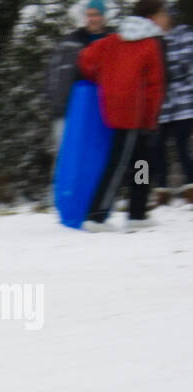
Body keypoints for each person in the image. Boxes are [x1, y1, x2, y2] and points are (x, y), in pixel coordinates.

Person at [78, 0, 170, 228]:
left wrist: (104, 80)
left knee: (142, 161)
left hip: (118, 107)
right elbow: (155, 85)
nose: (167, 18)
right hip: (135, 112)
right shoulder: (151, 43)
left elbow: (86, 59)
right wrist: (151, 117)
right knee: (119, 163)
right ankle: (96, 216)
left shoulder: (113, 39)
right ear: (153, 17)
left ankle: (137, 214)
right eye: (164, 13)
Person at [46, 0, 114, 158]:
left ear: (103, 17)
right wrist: (56, 103)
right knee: (67, 155)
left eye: (96, 15)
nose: (92, 19)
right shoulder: (71, 42)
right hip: (71, 108)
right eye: (89, 15)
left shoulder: (113, 41)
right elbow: (54, 74)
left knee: (97, 155)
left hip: (103, 109)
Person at [154, 1, 193, 202]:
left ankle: (190, 185)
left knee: (181, 143)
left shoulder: (185, 35)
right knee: (157, 144)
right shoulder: (154, 39)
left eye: (164, 15)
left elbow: (185, 65)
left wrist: (166, 72)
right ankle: (161, 187)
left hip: (183, 100)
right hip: (162, 103)